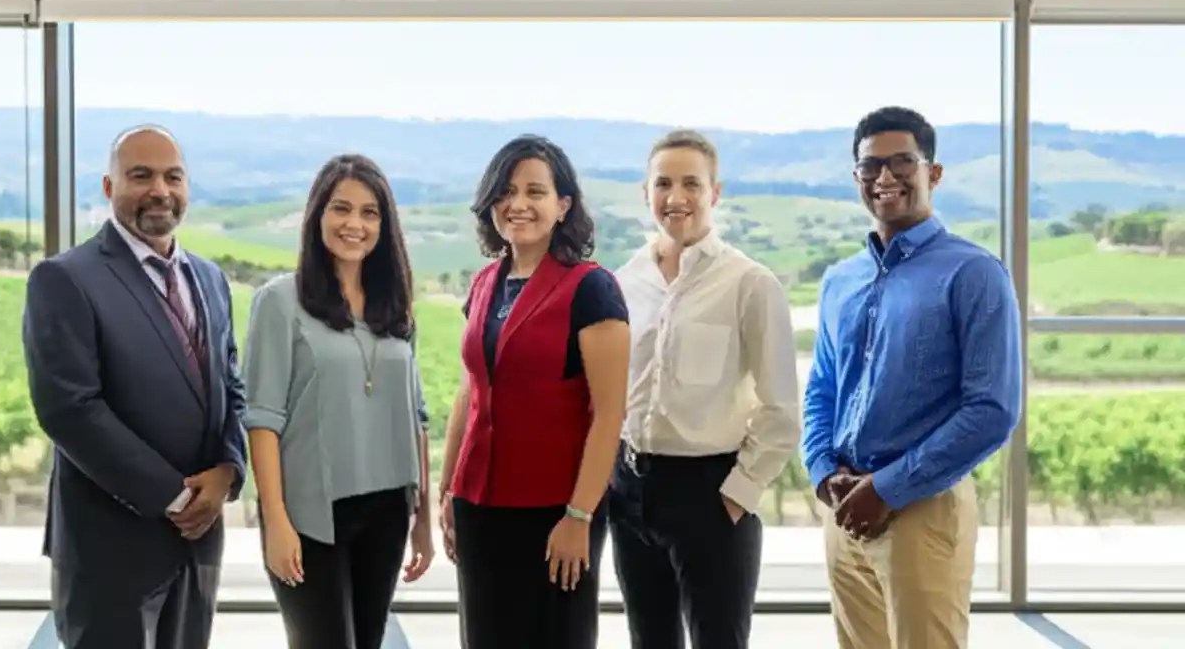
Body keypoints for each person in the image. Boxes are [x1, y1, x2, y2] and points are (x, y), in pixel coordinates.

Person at [801, 106, 1022, 649]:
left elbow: (992, 410)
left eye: (902, 162)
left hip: (922, 508)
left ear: (934, 172)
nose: (885, 177)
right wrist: (823, 470)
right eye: (870, 166)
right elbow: (823, 387)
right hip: (844, 507)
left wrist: (888, 487)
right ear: (856, 178)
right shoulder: (839, 280)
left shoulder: (973, 273)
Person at [22, 125, 248, 649]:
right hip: (109, 549)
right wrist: (175, 497)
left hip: (198, 546)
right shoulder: (64, 279)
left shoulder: (211, 279)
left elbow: (231, 385)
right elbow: (70, 410)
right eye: (140, 176)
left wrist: (229, 471)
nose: (159, 190)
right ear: (109, 187)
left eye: (173, 176)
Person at [436, 134, 631, 649]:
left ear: (563, 205)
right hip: (481, 505)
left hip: (556, 513)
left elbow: (609, 414)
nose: (517, 203)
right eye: (506, 191)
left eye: (535, 192)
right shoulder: (483, 284)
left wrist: (579, 516)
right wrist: (449, 490)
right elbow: (469, 393)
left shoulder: (592, 288)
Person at [609, 129, 801, 649]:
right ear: (644, 194)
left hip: (711, 495)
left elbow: (782, 407)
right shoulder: (623, 281)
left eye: (691, 183)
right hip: (629, 492)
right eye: (663, 183)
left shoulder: (749, 283)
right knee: (649, 641)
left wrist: (738, 495)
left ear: (715, 193)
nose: (676, 197)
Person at [242, 155, 434, 649]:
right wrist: (276, 521)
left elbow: (417, 417)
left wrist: (424, 519)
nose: (355, 224)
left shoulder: (397, 308)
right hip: (310, 514)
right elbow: (263, 420)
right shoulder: (279, 302)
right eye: (341, 209)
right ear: (317, 216)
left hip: (389, 509)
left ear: (384, 226)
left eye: (370, 213)